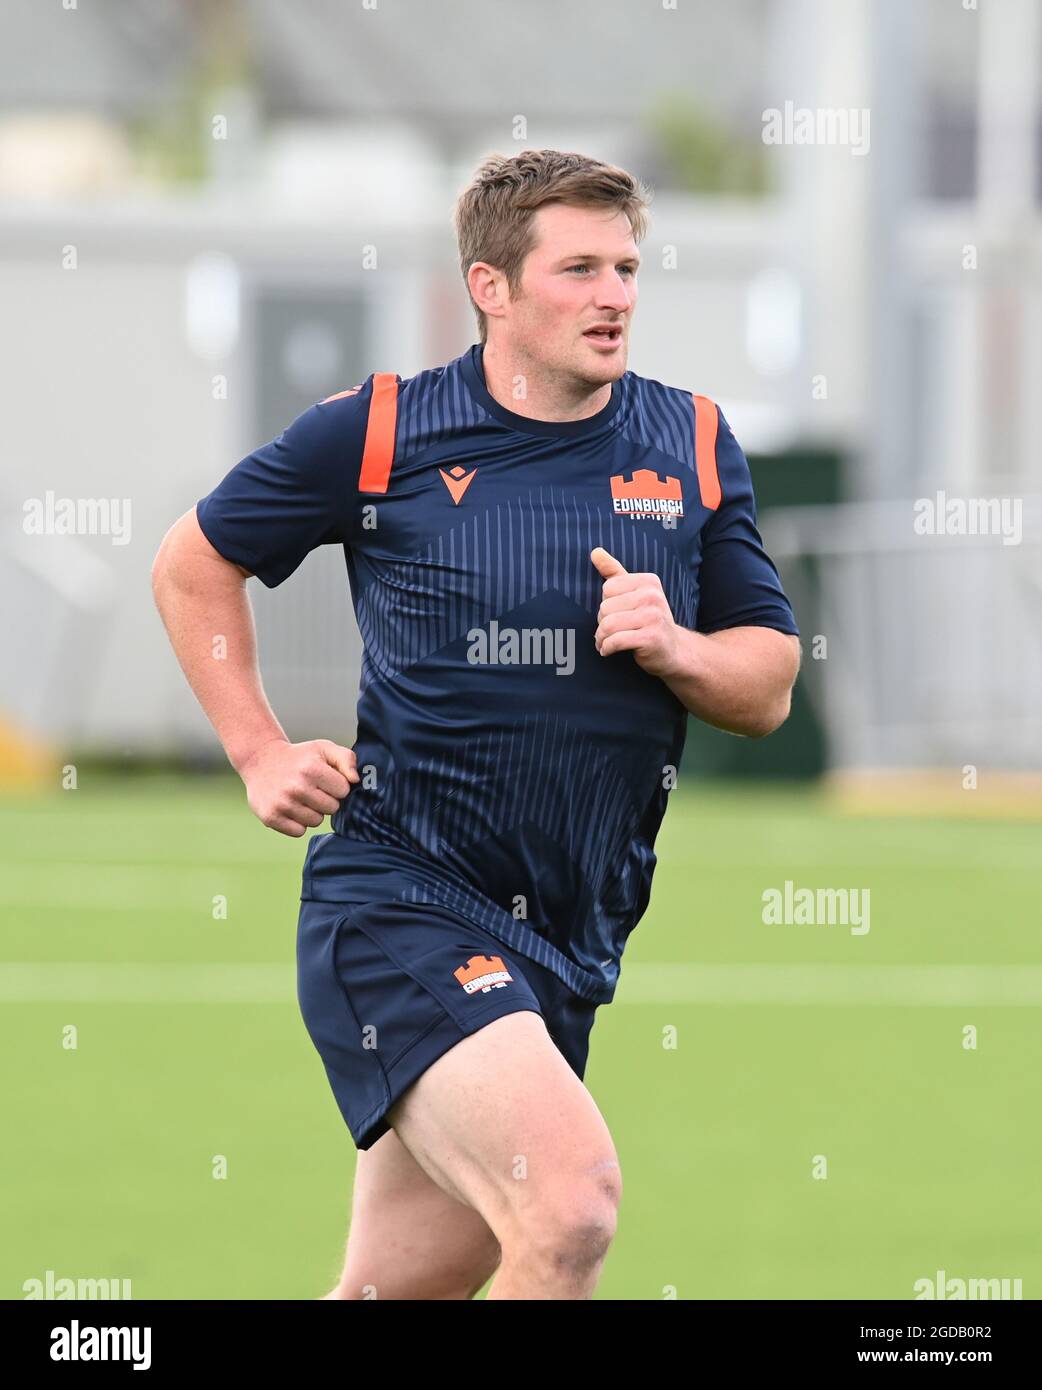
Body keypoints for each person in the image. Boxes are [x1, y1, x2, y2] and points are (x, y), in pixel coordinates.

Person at [151, 148, 801, 1300]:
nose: (615, 295)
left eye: (628, 268)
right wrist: (257, 748)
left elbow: (766, 686)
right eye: (580, 269)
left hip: (569, 933)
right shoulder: (382, 430)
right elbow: (194, 563)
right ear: (490, 288)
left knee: (395, 1291)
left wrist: (678, 645)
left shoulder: (691, 442)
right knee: (568, 1208)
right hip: (397, 899)